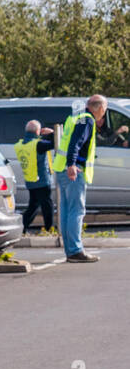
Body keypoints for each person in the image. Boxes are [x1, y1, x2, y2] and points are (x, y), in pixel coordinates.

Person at [52, 94, 116, 262]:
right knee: (76, 211)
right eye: (105, 109)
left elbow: (71, 141)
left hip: (61, 169)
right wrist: (72, 164)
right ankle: (75, 251)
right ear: (101, 108)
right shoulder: (87, 120)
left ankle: (71, 250)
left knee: (66, 211)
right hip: (74, 171)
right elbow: (76, 142)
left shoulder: (77, 117)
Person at [15, 120, 56, 232]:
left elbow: (40, 145)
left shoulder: (21, 144)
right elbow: (55, 143)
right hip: (41, 180)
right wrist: (52, 133)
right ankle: (49, 229)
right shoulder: (38, 144)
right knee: (47, 206)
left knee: (33, 206)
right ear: (38, 131)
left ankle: (22, 227)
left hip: (30, 179)